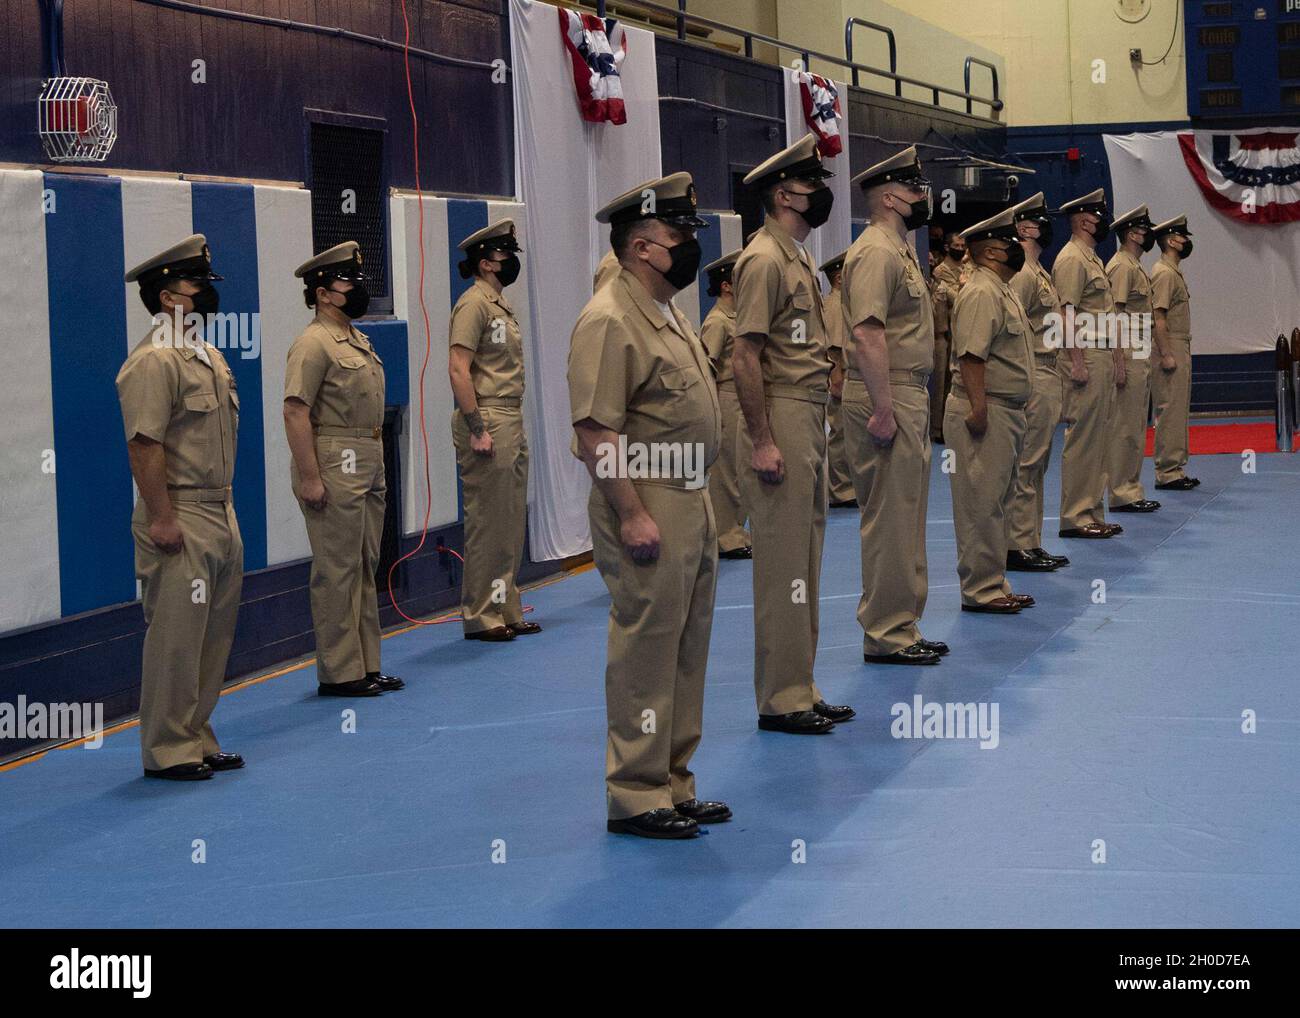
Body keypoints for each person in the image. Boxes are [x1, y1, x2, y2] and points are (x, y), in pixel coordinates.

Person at [568, 171, 731, 839]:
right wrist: (632, 513)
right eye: (677, 234)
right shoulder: (610, 318)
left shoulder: (665, 309)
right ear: (641, 247)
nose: (690, 244)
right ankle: (636, 791)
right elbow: (595, 431)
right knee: (647, 651)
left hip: (691, 494)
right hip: (649, 495)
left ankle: (673, 779)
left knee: (686, 648)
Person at [733, 133, 855, 733]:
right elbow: (745, 355)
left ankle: (801, 683)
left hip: (807, 412)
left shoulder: (796, 257)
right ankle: (781, 697)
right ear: (784, 194)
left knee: (805, 558)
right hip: (781, 411)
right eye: (812, 185)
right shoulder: (763, 259)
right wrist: (761, 439)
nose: (820, 195)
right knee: (784, 562)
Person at [116, 234, 244, 780]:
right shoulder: (152, 361)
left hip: (219, 510)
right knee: (176, 636)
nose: (207, 294)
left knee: (213, 636)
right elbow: (144, 445)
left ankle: (196, 735)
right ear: (168, 297)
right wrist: (162, 517)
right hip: (181, 512)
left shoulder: (207, 355)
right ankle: (168, 748)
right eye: (197, 285)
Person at [841, 146, 947, 666]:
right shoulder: (876, 252)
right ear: (889, 198)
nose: (922, 197)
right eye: (913, 189)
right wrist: (883, 408)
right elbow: (867, 334)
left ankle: (902, 624)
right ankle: (886, 632)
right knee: (889, 519)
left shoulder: (898, 250)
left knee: (905, 517)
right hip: (887, 392)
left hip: (907, 391)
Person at [284, 242, 403, 697]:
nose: (357, 288)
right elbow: (295, 411)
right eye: (347, 282)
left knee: (364, 564)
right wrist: (310, 476)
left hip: (367, 454)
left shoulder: (356, 338)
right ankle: (339, 671)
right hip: (335, 458)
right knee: (338, 568)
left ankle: (366, 663)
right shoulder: (313, 343)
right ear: (322, 293)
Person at [448, 219, 538, 642]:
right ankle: (481, 615)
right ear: (485, 263)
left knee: (510, 522)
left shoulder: (499, 305)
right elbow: (458, 368)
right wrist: (476, 427)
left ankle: (505, 607)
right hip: (488, 417)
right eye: (505, 254)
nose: (511, 261)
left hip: (510, 417)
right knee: (488, 523)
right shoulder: (474, 304)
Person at [945, 206, 1036, 614]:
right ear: (992, 252)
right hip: (987, 410)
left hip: (1007, 410)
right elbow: (971, 356)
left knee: (997, 502)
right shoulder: (982, 291)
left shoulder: (1001, 289)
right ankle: (980, 589)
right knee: (980, 504)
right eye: (1011, 242)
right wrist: (979, 409)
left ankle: (995, 582)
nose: (1019, 247)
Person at [1005, 192, 1070, 572]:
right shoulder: (1023, 275)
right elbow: (1013, 329)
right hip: (1034, 370)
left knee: (1038, 463)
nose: (1046, 227)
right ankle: (1016, 544)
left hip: (1049, 368)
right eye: (1039, 221)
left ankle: (1030, 539)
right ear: (1025, 228)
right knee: (1026, 463)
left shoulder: (1038, 271)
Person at [1052, 189, 1122, 540]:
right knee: (1083, 439)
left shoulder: (1091, 257)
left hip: (1102, 353)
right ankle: (1075, 515)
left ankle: (1092, 510)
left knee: (1099, 438)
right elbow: (1066, 313)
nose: (1103, 221)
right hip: (1087, 354)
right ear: (1083, 220)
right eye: (1098, 216)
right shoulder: (1072, 259)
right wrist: (1076, 362)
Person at [1105, 205, 1162, 514]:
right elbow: (1114, 315)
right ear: (1132, 234)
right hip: (1128, 350)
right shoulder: (1122, 267)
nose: (1148, 235)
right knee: (1125, 426)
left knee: (1137, 424)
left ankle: (1130, 487)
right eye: (1144, 230)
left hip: (1139, 348)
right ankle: (1121, 492)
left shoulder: (1134, 265)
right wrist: (1118, 360)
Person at [699, 249, 751, 558]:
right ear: (726, 286)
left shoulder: (738, 317)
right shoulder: (718, 321)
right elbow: (707, 367)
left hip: (742, 396)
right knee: (726, 473)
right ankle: (725, 536)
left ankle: (736, 530)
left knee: (741, 470)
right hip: (727, 397)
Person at [1149, 215, 1200, 491]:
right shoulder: (1164, 273)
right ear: (1171, 241)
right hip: (1170, 343)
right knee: (1169, 408)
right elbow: (1158, 316)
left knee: (1178, 408)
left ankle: (1175, 468)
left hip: (1179, 342)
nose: (1185, 241)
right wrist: (1166, 353)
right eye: (1182, 237)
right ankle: (1167, 471)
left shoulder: (1172, 271)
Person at [821, 250, 857, 508]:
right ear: (839, 278)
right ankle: (841, 489)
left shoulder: (845, 303)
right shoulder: (834, 306)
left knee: (848, 434)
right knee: (840, 433)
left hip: (849, 375)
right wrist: (836, 379)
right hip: (841, 376)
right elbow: (834, 348)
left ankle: (848, 485)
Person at [929, 231, 968, 442]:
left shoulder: (965, 269)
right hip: (943, 333)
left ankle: (951, 426)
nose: (960, 249)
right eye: (957, 245)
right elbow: (960, 298)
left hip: (960, 332)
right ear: (947, 247)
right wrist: (963, 288)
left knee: (956, 382)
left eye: (963, 246)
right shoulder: (941, 271)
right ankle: (938, 428)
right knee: (941, 383)